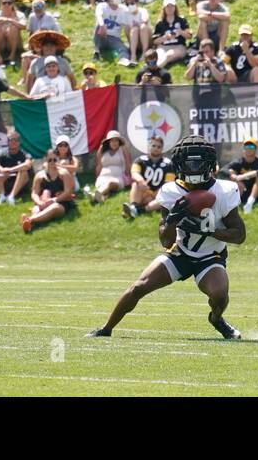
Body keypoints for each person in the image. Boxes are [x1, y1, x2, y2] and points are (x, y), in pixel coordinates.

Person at [88, 134, 244, 339]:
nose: (194, 169)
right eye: (189, 164)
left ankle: (216, 319)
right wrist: (172, 219)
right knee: (138, 287)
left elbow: (239, 235)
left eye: (199, 164)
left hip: (210, 255)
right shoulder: (171, 191)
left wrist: (210, 231)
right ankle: (106, 328)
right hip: (179, 251)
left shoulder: (225, 189)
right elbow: (166, 241)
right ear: (179, 165)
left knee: (220, 295)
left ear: (209, 164)